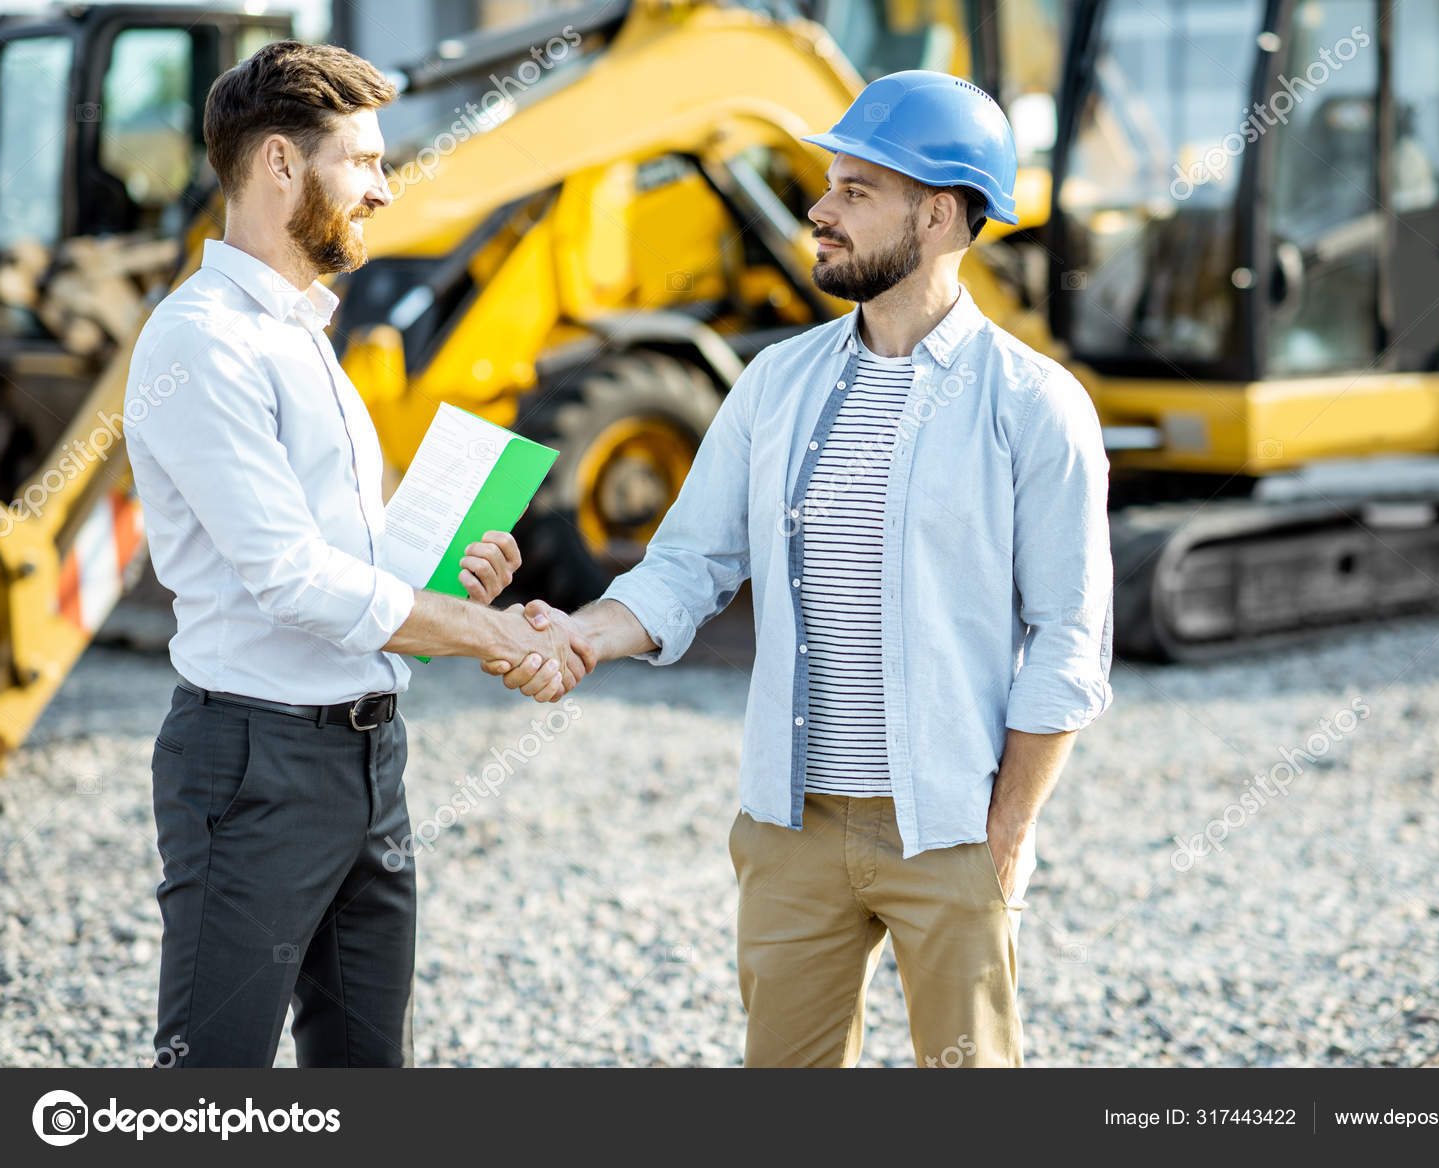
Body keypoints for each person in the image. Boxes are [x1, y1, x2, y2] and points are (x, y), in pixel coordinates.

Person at [495, 71, 1113, 1067]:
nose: (819, 212)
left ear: (943, 214)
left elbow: (1068, 639)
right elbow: (688, 564)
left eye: (856, 191)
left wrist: (1006, 832)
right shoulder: (775, 383)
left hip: (950, 828)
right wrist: (580, 633)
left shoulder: (1033, 405)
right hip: (789, 826)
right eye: (829, 185)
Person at [123, 41, 587, 1068]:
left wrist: (452, 578)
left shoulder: (302, 335)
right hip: (255, 765)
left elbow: (348, 550)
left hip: (369, 758)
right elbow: (289, 574)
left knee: (368, 1071)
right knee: (214, 1080)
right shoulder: (204, 341)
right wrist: (485, 635)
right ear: (281, 165)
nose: (385, 189)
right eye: (365, 163)